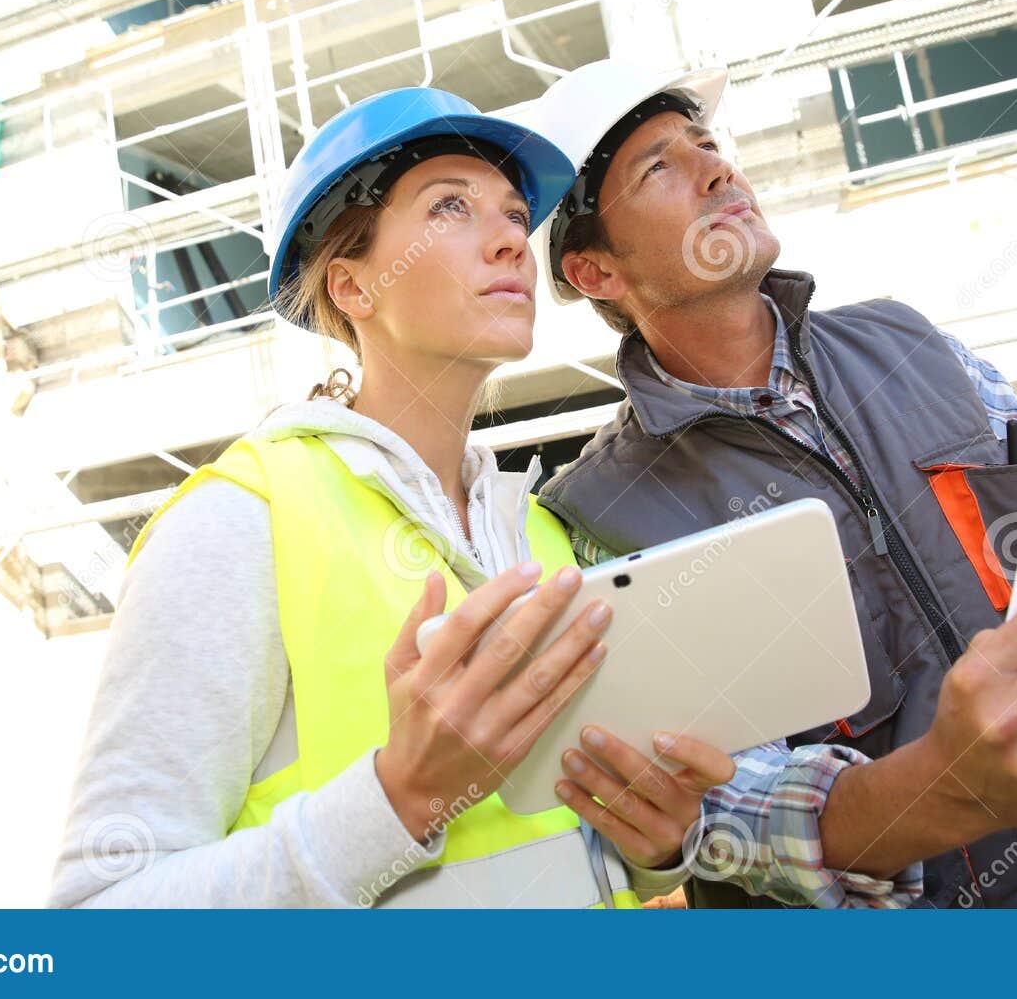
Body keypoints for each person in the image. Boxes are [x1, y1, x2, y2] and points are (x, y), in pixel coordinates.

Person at [49, 87, 735, 908]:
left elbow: (563, 855)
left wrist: (655, 845)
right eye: (452, 207)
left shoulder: (545, 537)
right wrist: (399, 798)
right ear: (351, 286)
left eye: (517, 216)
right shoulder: (242, 519)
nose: (512, 242)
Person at [520, 60, 1017, 908]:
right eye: (659, 167)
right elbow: (707, 803)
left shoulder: (911, 344)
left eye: (708, 143)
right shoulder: (603, 515)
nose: (716, 168)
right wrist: (938, 789)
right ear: (596, 272)